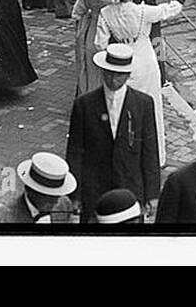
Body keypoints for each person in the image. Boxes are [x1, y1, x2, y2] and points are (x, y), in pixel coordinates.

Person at [94, 0, 183, 167]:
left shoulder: (106, 13)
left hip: (121, 62)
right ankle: (155, 156)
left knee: (122, 109)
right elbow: (171, 9)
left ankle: (125, 155)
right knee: (151, 107)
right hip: (144, 60)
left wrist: (116, 50)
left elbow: (99, 44)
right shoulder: (142, 11)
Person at [66, 43, 161, 223]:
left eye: (119, 74)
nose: (113, 79)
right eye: (109, 73)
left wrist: (152, 194)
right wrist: (75, 194)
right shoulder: (84, 104)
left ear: (128, 75)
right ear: (102, 72)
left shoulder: (143, 104)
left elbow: (150, 151)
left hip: (130, 187)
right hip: (94, 189)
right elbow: (75, 151)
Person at [0, 152, 78, 224]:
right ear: (29, 190)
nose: (56, 202)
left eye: (57, 195)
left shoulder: (64, 204)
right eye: (48, 196)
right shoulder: (3, 219)